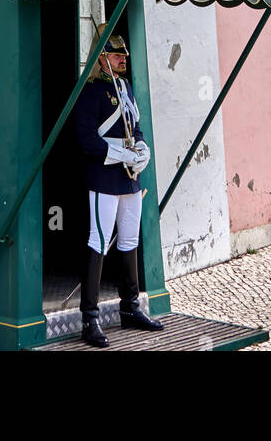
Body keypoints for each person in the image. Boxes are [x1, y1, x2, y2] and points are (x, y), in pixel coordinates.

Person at [73, 24, 165, 347]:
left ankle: (130, 307)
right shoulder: (89, 91)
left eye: (123, 53)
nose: (121, 58)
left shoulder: (125, 87)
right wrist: (119, 152)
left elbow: (134, 126)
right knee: (98, 242)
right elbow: (86, 139)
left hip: (129, 177)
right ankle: (90, 318)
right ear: (100, 58)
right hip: (104, 177)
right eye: (114, 53)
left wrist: (141, 149)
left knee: (129, 241)